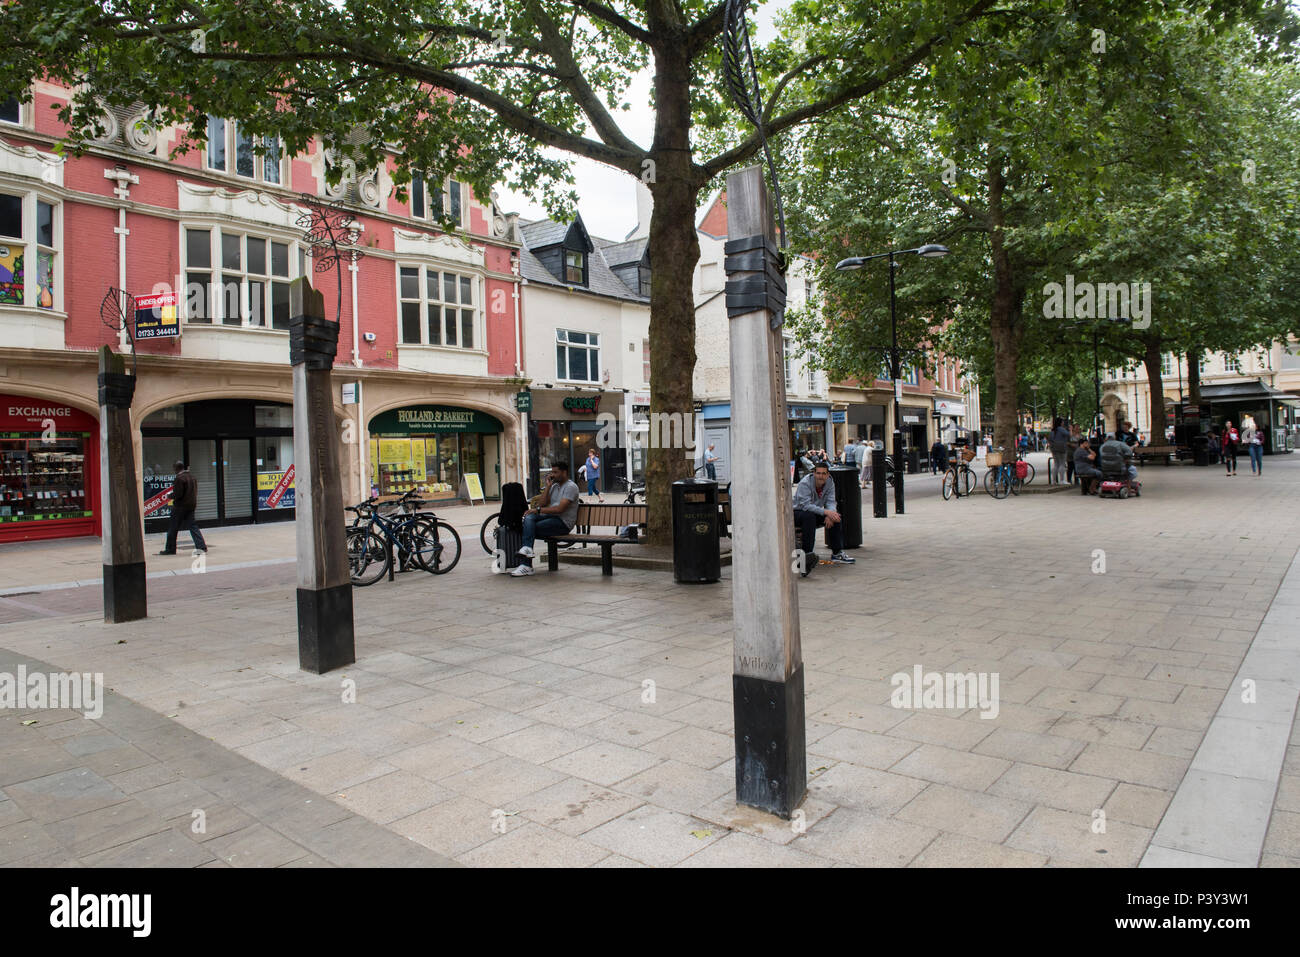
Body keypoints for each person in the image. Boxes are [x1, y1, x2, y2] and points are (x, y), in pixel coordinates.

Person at [511, 461, 580, 577]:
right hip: (552, 517)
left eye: (555, 472)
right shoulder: (555, 486)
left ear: (564, 472)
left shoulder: (571, 487)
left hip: (562, 523)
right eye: (552, 472)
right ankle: (527, 550)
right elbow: (542, 503)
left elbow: (559, 509)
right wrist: (548, 486)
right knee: (529, 516)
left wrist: (538, 511)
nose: (552, 475)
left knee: (529, 528)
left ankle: (526, 565)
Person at [792, 461, 854, 574]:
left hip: (813, 511)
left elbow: (831, 501)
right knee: (809, 517)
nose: (821, 476)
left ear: (827, 474)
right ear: (814, 473)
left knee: (835, 517)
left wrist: (830, 514)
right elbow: (805, 505)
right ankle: (807, 555)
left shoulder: (830, 482)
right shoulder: (805, 483)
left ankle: (837, 553)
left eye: (824, 473)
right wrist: (825, 512)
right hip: (797, 512)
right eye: (818, 473)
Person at [159, 459, 206, 555]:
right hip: (191, 505)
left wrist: (169, 496)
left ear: (176, 468)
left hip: (180, 506)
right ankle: (201, 546)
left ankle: (170, 549)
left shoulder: (179, 479)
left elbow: (178, 494)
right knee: (193, 526)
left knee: (173, 528)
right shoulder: (192, 477)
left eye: (174, 468)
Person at [1048, 417, 1071, 485]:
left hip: (1054, 448)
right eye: (1062, 421)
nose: (1063, 423)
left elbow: (1050, 439)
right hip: (1062, 448)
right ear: (1061, 423)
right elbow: (1069, 435)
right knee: (1062, 463)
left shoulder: (1053, 430)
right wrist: (1070, 429)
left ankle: (1054, 480)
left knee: (1056, 464)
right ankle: (1062, 480)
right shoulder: (1061, 429)